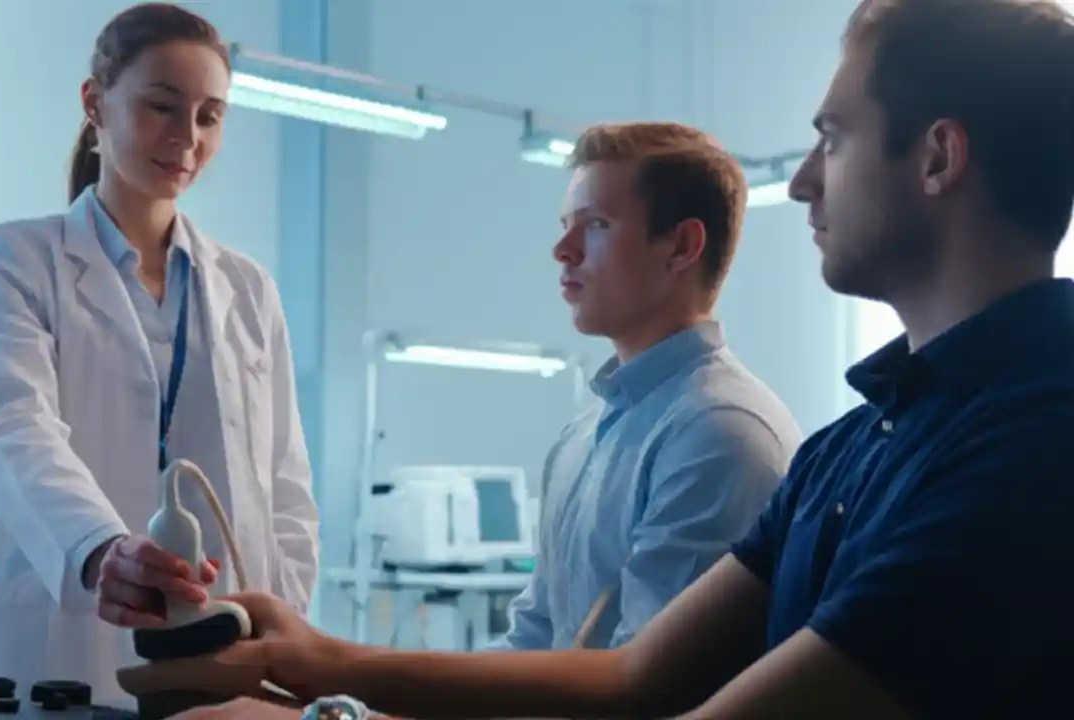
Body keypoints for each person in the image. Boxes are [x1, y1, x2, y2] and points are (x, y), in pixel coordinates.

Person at [116, 0, 1074, 718]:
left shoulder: (1033, 441)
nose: (810, 178)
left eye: (832, 136)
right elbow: (630, 673)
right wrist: (321, 665)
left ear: (938, 157)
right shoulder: (852, 447)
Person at [0, 2, 319, 710]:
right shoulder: (22, 256)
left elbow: (285, 485)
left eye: (210, 116)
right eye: (162, 107)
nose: (187, 138)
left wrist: (284, 619)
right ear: (95, 103)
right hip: (58, 636)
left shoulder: (247, 287)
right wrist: (100, 549)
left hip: (222, 648)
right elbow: (11, 426)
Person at [489, 121, 800, 652]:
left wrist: (354, 668)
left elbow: (649, 689)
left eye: (596, 225)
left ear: (681, 246)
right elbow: (534, 640)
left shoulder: (720, 434)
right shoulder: (585, 435)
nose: (562, 250)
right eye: (567, 225)